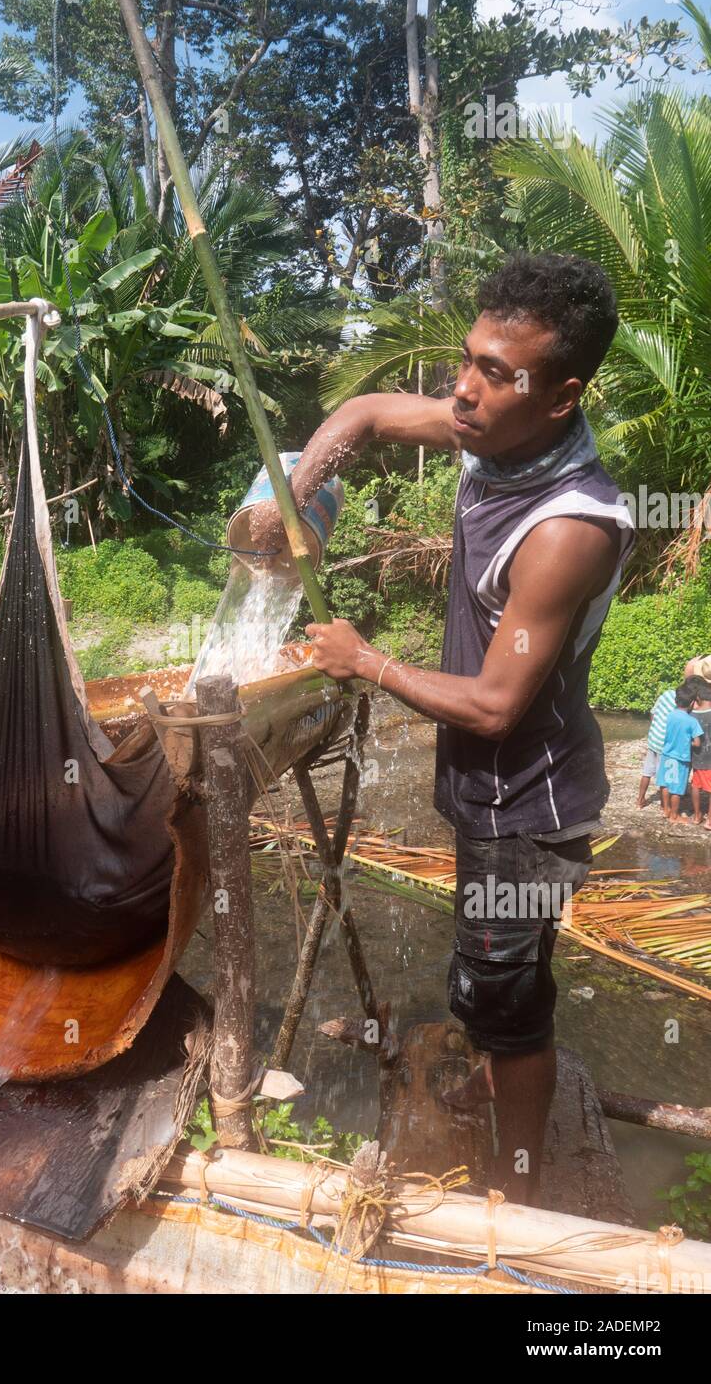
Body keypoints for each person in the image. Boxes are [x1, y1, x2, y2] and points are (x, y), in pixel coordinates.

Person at [249, 253, 635, 1206]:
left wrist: (365, 660)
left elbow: (499, 704)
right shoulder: (489, 432)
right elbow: (371, 412)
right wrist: (301, 490)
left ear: (560, 396)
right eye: (466, 359)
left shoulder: (566, 526)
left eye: (496, 374)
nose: (463, 390)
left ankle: (521, 1185)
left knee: (508, 1005)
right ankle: (494, 1097)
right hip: (482, 789)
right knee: (484, 975)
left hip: (524, 810)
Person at [657, 686, 703, 822]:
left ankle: (666, 810)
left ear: (676, 701)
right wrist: (688, 743)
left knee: (665, 784)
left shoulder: (670, 715)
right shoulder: (692, 721)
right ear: (691, 703)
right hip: (681, 758)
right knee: (676, 789)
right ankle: (674, 816)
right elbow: (697, 743)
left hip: (666, 754)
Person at [640, 682, 682, 808]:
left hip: (653, 739)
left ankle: (640, 800)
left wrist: (655, 728)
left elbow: (653, 713)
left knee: (647, 772)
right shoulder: (681, 706)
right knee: (664, 777)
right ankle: (665, 805)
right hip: (665, 745)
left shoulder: (666, 694)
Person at [689, 679, 711, 829]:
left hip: (696, 757)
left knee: (696, 785)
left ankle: (697, 816)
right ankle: (710, 820)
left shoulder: (691, 715)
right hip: (710, 759)